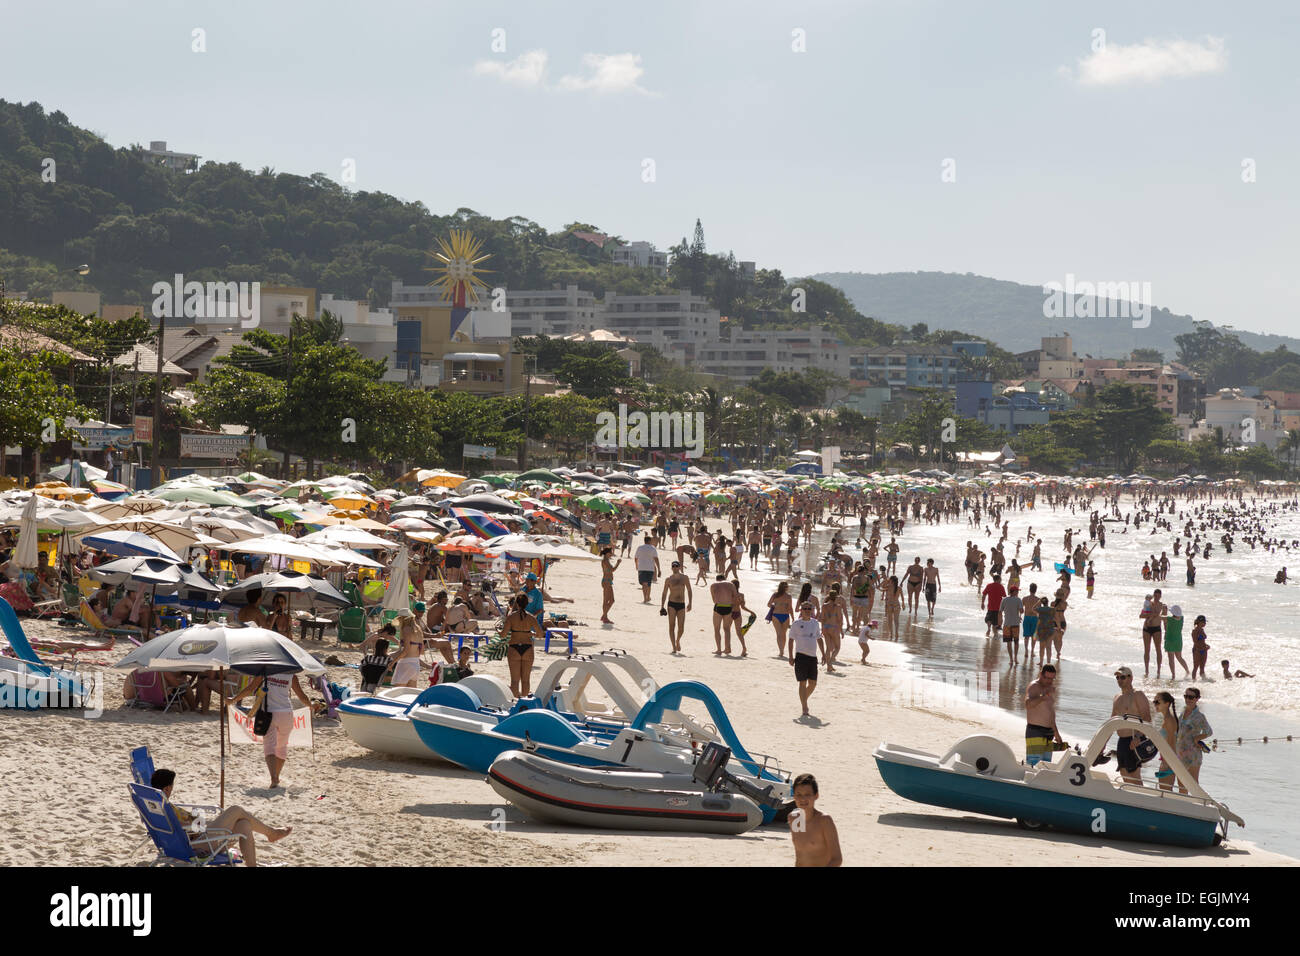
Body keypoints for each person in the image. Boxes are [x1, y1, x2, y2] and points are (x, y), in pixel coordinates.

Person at [150, 769, 290, 867]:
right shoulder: (165, 808)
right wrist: (199, 822)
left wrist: (201, 821)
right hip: (199, 843)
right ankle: (271, 833)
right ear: (167, 789)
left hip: (199, 834)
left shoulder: (155, 806)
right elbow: (184, 829)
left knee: (244, 824)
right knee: (236, 810)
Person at [227, 670, 312, 789]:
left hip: (269, 713)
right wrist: (311, 706)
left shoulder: (264, 673)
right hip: (286, 714)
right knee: (281, 747)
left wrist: (233, 700)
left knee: (269, 747)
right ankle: (277, 775)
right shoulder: (290, 675)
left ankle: (274, 777)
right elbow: (302, 696)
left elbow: (249, 689)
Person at [788, 773, 841, 867]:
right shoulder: (793, 818)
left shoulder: (824, 821)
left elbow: (837, 859)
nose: (802, 799)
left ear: (816, 796)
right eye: (799, 794)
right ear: (794, 796)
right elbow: (800, 856)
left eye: (807, 794)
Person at [1109, 666, 1151, 786]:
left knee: (1134, 776)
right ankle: (1131, 800)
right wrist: (1103, 743)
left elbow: (1147, 718)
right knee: (1124, 775)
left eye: (1122, 677)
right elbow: (1112, 721)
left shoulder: (1137, 695)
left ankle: (1141, 802)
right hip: (1122, 741)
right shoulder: (1117, 697)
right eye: (1117, 678)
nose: (1119, 680)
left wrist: (1138, 737)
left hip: (1134, 740)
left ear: (1131, 678)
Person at [502, 593, 544, 698]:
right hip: (527, 648)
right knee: (526, 680)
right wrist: (531, 633)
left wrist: (498, 631)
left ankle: (515, 703)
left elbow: (503, 635)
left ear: (517, 603)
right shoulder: (531, 617)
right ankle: (524, 703)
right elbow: (540, 634)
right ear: (526, 604)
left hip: (514, 647)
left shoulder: (511, 617)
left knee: (515, 681)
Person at [788, 602, 825, 717]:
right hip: (800, 657)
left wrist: (824, 654)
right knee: (802, 682)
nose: (808, 610)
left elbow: (819, 638)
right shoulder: (796, 623)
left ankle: (803, 699)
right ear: (801, 610)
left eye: (810, 608)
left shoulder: (815, 623)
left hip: (813, 657)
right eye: (805, 608)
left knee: (813, 684)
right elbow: (791, 640)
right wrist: (790, 656)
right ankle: (804, 706)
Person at [1175, 688, 1213, 793]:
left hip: (1193, 754)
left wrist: (1198, 738)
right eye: (1186, 696)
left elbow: (1209, 731)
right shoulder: (1183, 712)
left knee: (1193, 783)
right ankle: (1183, 805)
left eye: (1191, 697)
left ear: (1197, 699)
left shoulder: (1199, 716)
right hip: (1180, 752)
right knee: (1181, 784)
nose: (1188, 699)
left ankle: (1197, 805)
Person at [1024, 664, 1063, 765]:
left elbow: (1050, 712)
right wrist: (1043, 697)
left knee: (1045, 766)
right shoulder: (1034, 686)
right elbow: (1028, 705)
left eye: (1052, 678)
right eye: (1047, 678)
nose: (1049, 681)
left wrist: (1056, 732)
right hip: (1035, 731)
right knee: (1034, 765)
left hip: (1049, 732)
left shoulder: (1050, 688)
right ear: (1041, 674)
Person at [660, 560, 692, 654]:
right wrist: (662, 606)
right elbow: (664, 593)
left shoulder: (685, 578)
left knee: (681, 627)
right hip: (671, 604)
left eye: (676, 566)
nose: (675, 568)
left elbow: (689, 590)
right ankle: (674, 646)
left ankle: (678, 640)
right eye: (673, 566)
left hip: (681, 604)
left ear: (679, 567)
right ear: (671, 568)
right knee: (672, 625)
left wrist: (690, 603)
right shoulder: (668, 579)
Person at [1152, 692, 1179, 791]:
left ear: (1167, 704)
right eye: (1154, 702)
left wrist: (1167, 763)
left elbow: (1172, 743)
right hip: (1166, 759)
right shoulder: (1166, 718)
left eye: (1157, 702)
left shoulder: (1169, 720)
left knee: (1165, 791)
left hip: (1169, 761)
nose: (1155, 704)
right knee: (1163, 790)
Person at [710, 574, 738, 655]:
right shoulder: (731, 584)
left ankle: (719, 650)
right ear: (725, 578)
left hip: (718, 606)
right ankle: (727, 648)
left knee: (717, 629)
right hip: (728, 607)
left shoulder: (713, 585)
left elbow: (714, 600)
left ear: (717, 579)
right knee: (727, 629)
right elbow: (735, 597)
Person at [1140, 589, 1165, 679]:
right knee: (1147, 649)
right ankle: (1146, 670)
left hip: (1156, 628)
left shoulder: (1161, 605)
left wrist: (1151, 616)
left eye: (1159, 596)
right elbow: (1141, 616)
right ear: (1153, 595)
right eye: (1156, 595)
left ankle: (1158, 670)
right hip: (1146, 628)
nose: (1157, 597)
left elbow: (1159, 614)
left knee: (1158, 649)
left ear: (1160, 596)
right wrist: (1150, 615)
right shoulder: (1147, 604)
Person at [768, 581, 794, 656]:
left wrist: (775, 606)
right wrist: (792, 618)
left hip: (776, 615)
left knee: (779, 634)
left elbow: (769, 604)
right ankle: (782, 650)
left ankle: (781, 650)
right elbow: (790, 608)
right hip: (785, 616)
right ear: (786, 588)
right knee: (783, 634)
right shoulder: (788, 596)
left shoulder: (775, 595)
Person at [1163, 604, 1189, 680]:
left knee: (1171, 659)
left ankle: (1173, 675)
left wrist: (1164, 611)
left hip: (1170, 640)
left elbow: (1160, 617)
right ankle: (1187, 671)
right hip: (1178, 640)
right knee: (1179, 657)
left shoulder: (1169, 619)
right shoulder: (1182, 618)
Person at [1000, 585, 1023, 665]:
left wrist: (1000, 621)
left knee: (1009, 642)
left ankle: (1011, 659)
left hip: (1006, 624)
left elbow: (1000, 611)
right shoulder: (1018, 600)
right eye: (1017, 591)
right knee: (1016, 642)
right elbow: (1022, 611)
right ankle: (1016, 658)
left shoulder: (1004, 599)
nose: (1018, 592)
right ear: (1014, 592)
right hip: (1015, 624)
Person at [633, 535, 659, 604]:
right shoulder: (653, 548)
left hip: (641, 567)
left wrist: (636, 565)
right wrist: (659, 569)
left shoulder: (640, 548)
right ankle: (648, 597)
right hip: (650, 568)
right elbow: (656, 558)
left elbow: (636, 558)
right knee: (649, 583)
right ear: (650, 541)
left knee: (644, 584)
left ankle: (645, 598)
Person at [599, 549, 621, 624]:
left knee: (612, 600)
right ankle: (605, 617)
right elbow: (612, 570)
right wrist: (618, 563)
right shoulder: (605, 561)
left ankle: (604, 615)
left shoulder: (606, 560)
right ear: (607, 553)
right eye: (610, 553)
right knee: (606, 600)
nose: (611, 554)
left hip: (608, 581)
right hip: (606, 581)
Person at [980, 573, 1006, 639]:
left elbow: (984, 594)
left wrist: (982, 603)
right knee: (995, 623)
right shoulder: (1001, 586)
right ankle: (995, 635)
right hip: (998, 608)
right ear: (998, 579)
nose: (1001, 580)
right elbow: (1004, 596)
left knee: (989, 619)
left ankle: (989, 629)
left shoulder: (989, 585)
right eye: (1000, 579)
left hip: (990, 606)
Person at [1020, 583, 1040, 663]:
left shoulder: (1025, 598)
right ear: (1036, 590)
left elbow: (1021, 609)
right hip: (1035, 618)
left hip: (1027, 617)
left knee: (1026, 636)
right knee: (1034, 636)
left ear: (1029, 589)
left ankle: (1026, 651)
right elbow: (1039, 611)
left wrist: (1019, 616)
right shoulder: (1038, 600)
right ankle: (1032, 651)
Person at [1190, 614, 1209, 680]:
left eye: (1205, 622)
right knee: (1195, 667)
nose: (1205, 623)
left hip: (1204, 650)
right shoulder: (1195, 631)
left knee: (1202, 667)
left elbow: (1202, 641)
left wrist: (1206, 645)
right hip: (1197, 650)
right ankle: (1193, 682)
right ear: (1199, 622)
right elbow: (1195, 642)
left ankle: (1203, 681)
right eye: (1203, 622)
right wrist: (1203, 647)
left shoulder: (1202, 630)